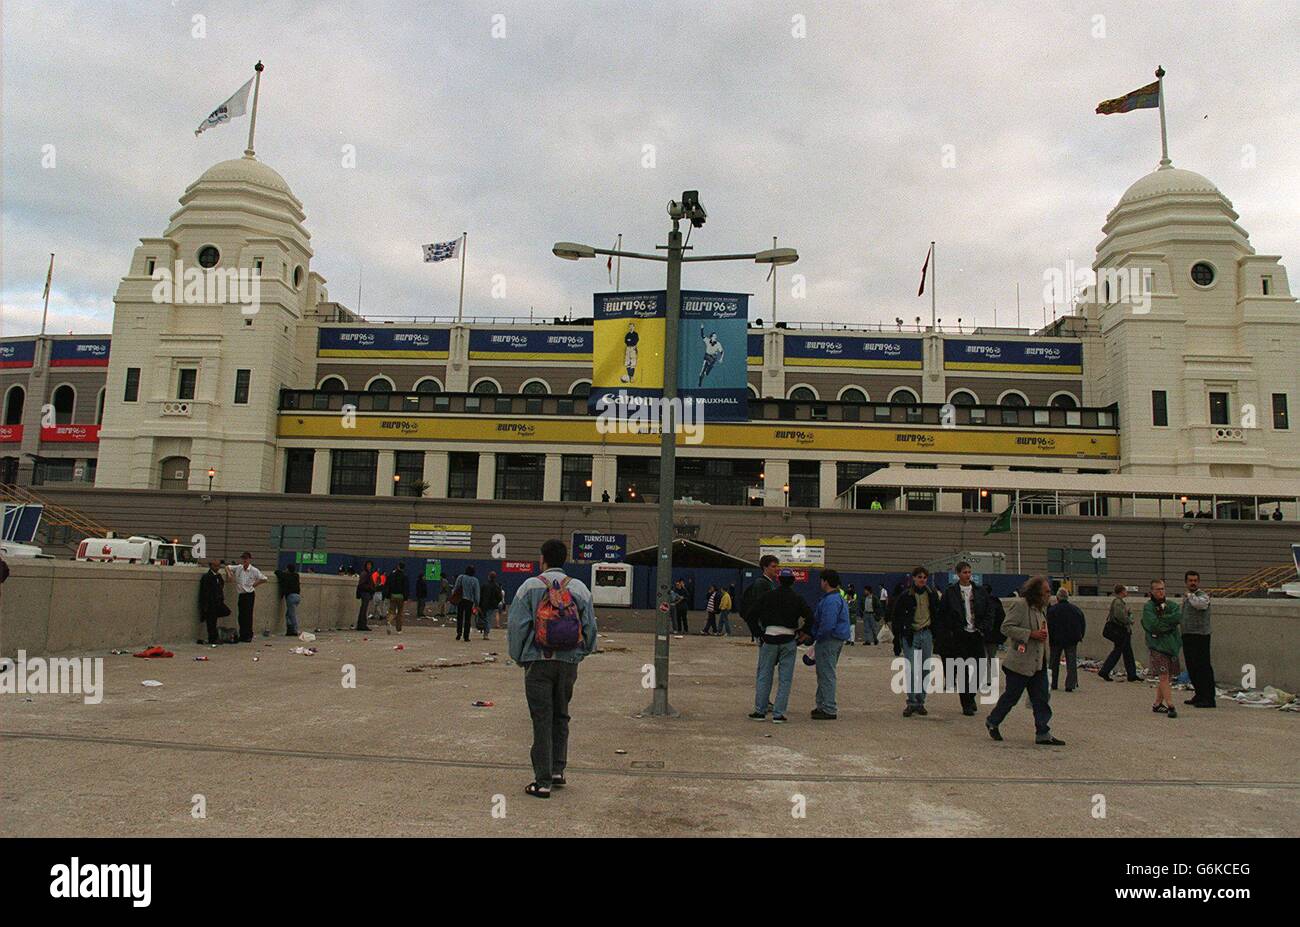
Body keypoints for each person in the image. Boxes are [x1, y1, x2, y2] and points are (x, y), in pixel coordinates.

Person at [507, 539, 597, 799]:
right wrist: (581, 653)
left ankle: (542, 781)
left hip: (538, 662)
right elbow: (590, 627)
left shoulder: (529, 587)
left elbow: (517, 626)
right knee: (561, 715)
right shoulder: (579, 588)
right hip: (568, 664)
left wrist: (519, 657)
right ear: (565, 559)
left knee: (542, 718)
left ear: (542, 559)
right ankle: (557, 770)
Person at [985, 575, 1064, 745]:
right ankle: (993, 721)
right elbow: (1006, 628)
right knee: (1011, 697)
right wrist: (1030, 634)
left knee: (1041, 699)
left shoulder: (1043, 609)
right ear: (1036, 592)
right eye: (1046, 591)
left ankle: (1043, 732)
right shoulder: (1021, 605)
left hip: (1038, 663)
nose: (1049, 595)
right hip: (1020, 663)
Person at [749, 568, 812, 723]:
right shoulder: (797, 598)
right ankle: (778, 714)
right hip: (788, 639)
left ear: (778, 580)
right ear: (793, 581)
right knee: (785, 679)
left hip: (769, 638)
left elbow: (751, 615)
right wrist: (803, 632)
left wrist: (758, 633)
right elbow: (810, 616)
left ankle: (760, 711)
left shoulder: (768, 596)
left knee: (764, 675)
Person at [936, 561, 992, 716]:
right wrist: (949, 632)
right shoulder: (950, 593)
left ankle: (971, 695)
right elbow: (943, 614)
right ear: (958, 574)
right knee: (963, 670)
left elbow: (989, 611)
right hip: (959, 636)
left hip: (976, 634)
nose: (968, 575)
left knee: (980, 667)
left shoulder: (980, 592)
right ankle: (966, 703)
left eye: (969, 572)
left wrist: (984, 627)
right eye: (965, 572)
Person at [892, 567, 941, 717]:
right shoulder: (906, 596)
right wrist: (898, 636)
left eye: (924, 577)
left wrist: (937, 634)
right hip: (910, 635)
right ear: (913, 578)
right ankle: (912, 702)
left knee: (926, 668)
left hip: (926, 633)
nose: (922, 580)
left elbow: (937, 613)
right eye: (919, 577)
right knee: (911, 669)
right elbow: (897, 616)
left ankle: (921, 701)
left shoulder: (931, 595)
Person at [808, 569, 851, 719]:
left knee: (826, 674)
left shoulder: (830, 600)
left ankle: (829, 708)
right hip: (836, 639)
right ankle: (822, 704)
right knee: (824, 672)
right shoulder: (839, 598)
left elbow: (828, 624)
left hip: (828, 639)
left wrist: (817, 636)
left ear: (825, 581)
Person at [1142, 579, 1183, 718]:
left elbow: (1177, 616)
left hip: (1171, 646)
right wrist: (1169, 623)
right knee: (1164, 675)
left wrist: (1163, 622)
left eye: (1163, 589)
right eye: (1158, 589)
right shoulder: (1148, 608)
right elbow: (1153, 625)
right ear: (1151, 591)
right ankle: (1171, 705)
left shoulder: (1171, 605)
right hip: (1157, 646)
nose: (1161, 592)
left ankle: (1157, 703)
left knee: (1167, 676)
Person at [1181, 571, 1215, 708]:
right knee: (1192, 666)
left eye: (1195, 580)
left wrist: (1189, 595)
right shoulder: (1187, 598)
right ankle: (1199, 694)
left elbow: (1199, 605)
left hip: (1201, 635)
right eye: (1190, 580)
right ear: (1186, 582)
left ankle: (1208, 698)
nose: (1193, 583)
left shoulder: (1203, 596)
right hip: (1188, 634)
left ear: (1198, 582)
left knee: (1203, 666)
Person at [1098, 584, 1141, 682]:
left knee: (1127, 652)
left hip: (1121, 631)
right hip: (1121, 631)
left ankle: (1132, 674)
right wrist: (1129, 620)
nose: (1127, 592)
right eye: (1125, 591)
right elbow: (1119, 616)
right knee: (1118, 652)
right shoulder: (1118, 602)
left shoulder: (1118, 602)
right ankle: (1105, 671)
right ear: (1121, 591)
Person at [1045, 588, 1085, 691]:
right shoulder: (1076, 609)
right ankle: (1070, 685)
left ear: (1057, 598)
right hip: (1072, 639)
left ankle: (1052, 683)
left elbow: (1047, 625)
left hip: (1056, 640)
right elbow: (1082, 624)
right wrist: (1080, 636)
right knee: (1071, 663)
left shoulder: (1052, 610)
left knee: (1053, 662)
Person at [226, 551, 268, 642]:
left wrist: (255, 584)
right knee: (241, 616)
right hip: (241, 594)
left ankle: (248, 635)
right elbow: (227, 567)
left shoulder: (254, 570)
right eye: (243, 559)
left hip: (249, 594)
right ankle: (242, 634)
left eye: (246, 559)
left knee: (248, 615)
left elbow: (264, 578)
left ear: (249, 559)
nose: (244, 560)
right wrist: (229, 574)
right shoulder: (239, 568)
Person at [740, 555, 781, 643]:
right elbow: (759, 606)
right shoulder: (762, 583)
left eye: (777, 566)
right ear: (765, 567)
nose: (777, 569)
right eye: (773, 566)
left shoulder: (768, 583)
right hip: (764, 628)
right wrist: (758, 631)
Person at [197, 558, 229, 645]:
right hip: (210, 603)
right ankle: (213, 638)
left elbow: (221, 585)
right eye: (215, 565)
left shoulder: (218, 576)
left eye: (218, 565)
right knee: (211, 622)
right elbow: (205, 592)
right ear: (211, 566)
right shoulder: (207, 577)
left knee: (219, 617)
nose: (217, 567)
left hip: (217, 602)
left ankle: (214, 637)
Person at [274, 562, 302, 636]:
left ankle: (295, 630)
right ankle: (290, 630)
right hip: (297, 596)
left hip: (291, 597)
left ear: (288, 569)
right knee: (288, 614)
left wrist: (283, 572)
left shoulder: (286, 576)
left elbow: (277, 572)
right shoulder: (296, 575)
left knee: (292, 614)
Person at [453, 565, 481, 641]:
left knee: (459, 617)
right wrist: (477, 603)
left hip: (460, 600)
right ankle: (466, 636)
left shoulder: (460, 577)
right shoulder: (475, 580)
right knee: (467, 619)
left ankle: (459, 633)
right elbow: (476, 593)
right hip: (469, 601)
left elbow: (455, 588)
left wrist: (453, 596)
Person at [982, 583, 1006, 660]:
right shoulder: (996, 603)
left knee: (982, 658)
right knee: (992, 658)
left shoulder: (978, 603)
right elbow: (1002, 619)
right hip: (993, 637)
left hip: (981, 636)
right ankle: (992, 672)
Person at [480, 570, 504, 639]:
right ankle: (486, 632)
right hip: (492, 605)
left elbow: (480, 595)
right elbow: (499, 597)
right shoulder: (496, 586)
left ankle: (485, 632)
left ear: (489, 577)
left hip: (484, 605)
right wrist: (495, 602)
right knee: (488, 618)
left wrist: (479, 604)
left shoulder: (484, 585)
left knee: (485, 618)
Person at [387, 562, 409, 634]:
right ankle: (398, 630)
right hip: (401, 596)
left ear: (398, 566)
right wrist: (405, 597)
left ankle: (389, 621)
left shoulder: (392, 575)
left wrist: (388, 595)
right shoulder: (404, 576)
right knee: (400, 613)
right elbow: (405, 588)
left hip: (393, 595)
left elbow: (389, 585)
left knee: (391, 611)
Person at [355, 561, 376, 630]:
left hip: (366, 593)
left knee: (364, 609)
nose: (369, 566)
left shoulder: (367, 573)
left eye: (370, 565)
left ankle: (362, 624)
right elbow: (362, 584)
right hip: (365, 593)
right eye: (368, 565)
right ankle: (362, 625)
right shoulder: (365, 574)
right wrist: (370, 588)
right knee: (363, 609)